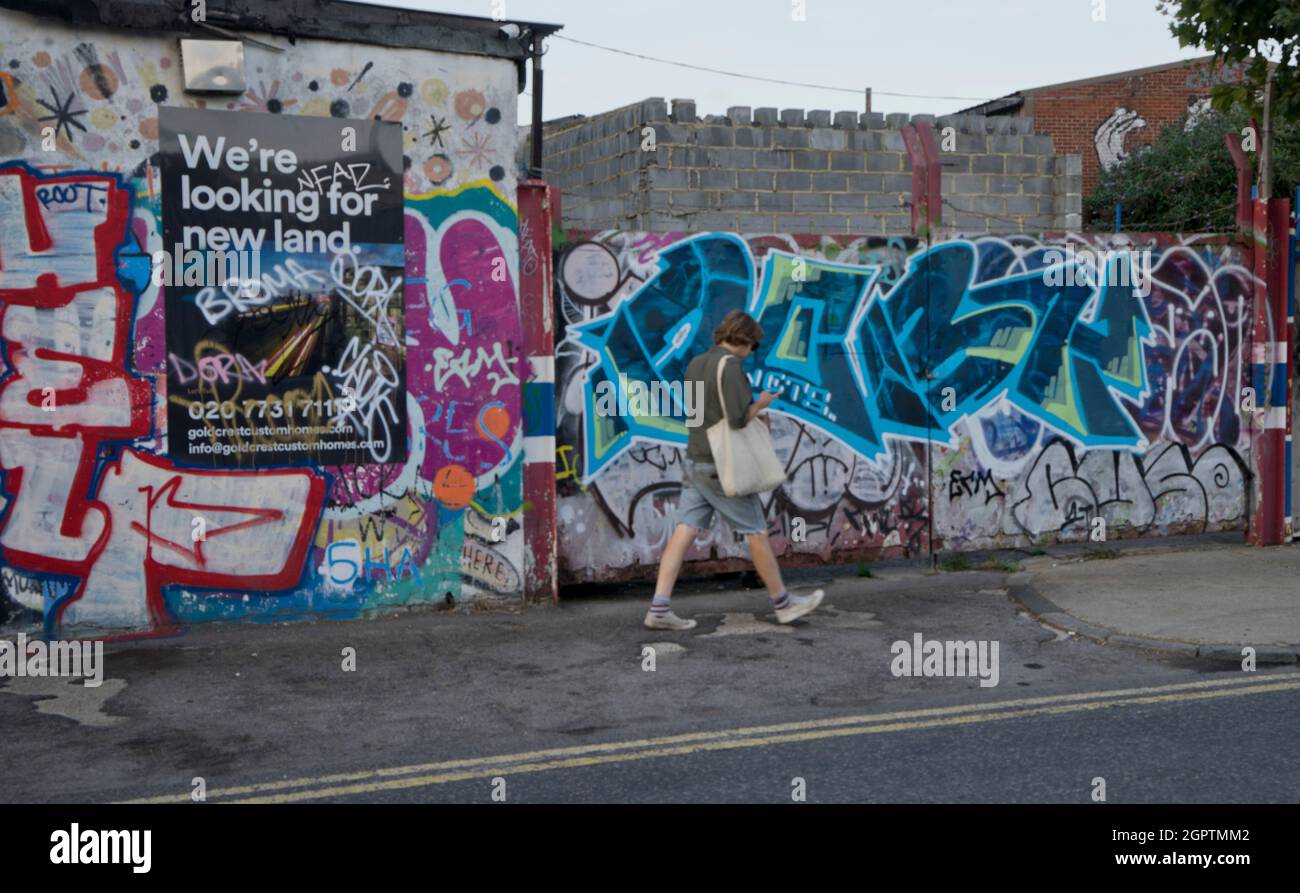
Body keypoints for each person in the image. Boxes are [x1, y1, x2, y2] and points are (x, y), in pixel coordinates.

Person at [645, 310, 824, 631]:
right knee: (755, 531)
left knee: (684, 530)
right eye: (753, 346)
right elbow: (738, 419)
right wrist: (762, 403)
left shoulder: (696, 363)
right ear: (742, 340)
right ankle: (783, 604)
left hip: (695, 458)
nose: (752, 352)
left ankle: (659, 608)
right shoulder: (730, 367)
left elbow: (699, 413)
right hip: (720, 465)